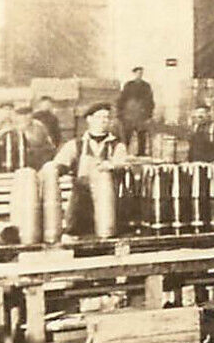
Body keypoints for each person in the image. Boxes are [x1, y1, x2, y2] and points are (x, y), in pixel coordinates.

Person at [52, 103, 127, 237]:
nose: (104, 121)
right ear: (89, 119)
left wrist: (110, 166)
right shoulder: (75, 145)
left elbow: (122, 163)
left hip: (108, 206)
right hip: (81, 207)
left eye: (107, 118)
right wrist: (55, 170)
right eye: (99, 117)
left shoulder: (117, 146)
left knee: (107, 237)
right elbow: (59, 165)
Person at [118, 66, 155, 156]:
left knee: (141, 135)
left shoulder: (146, 86)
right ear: (134, 74)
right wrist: (120, 113)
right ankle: (124, 153)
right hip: (129, 115)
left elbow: (150, 101)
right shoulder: (128, 85)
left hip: (141, 115)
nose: (139, 75)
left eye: (141, 73)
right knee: (127, 135)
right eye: (137, 73)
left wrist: (149, 115)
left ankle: (141, 153)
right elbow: (122, 99)